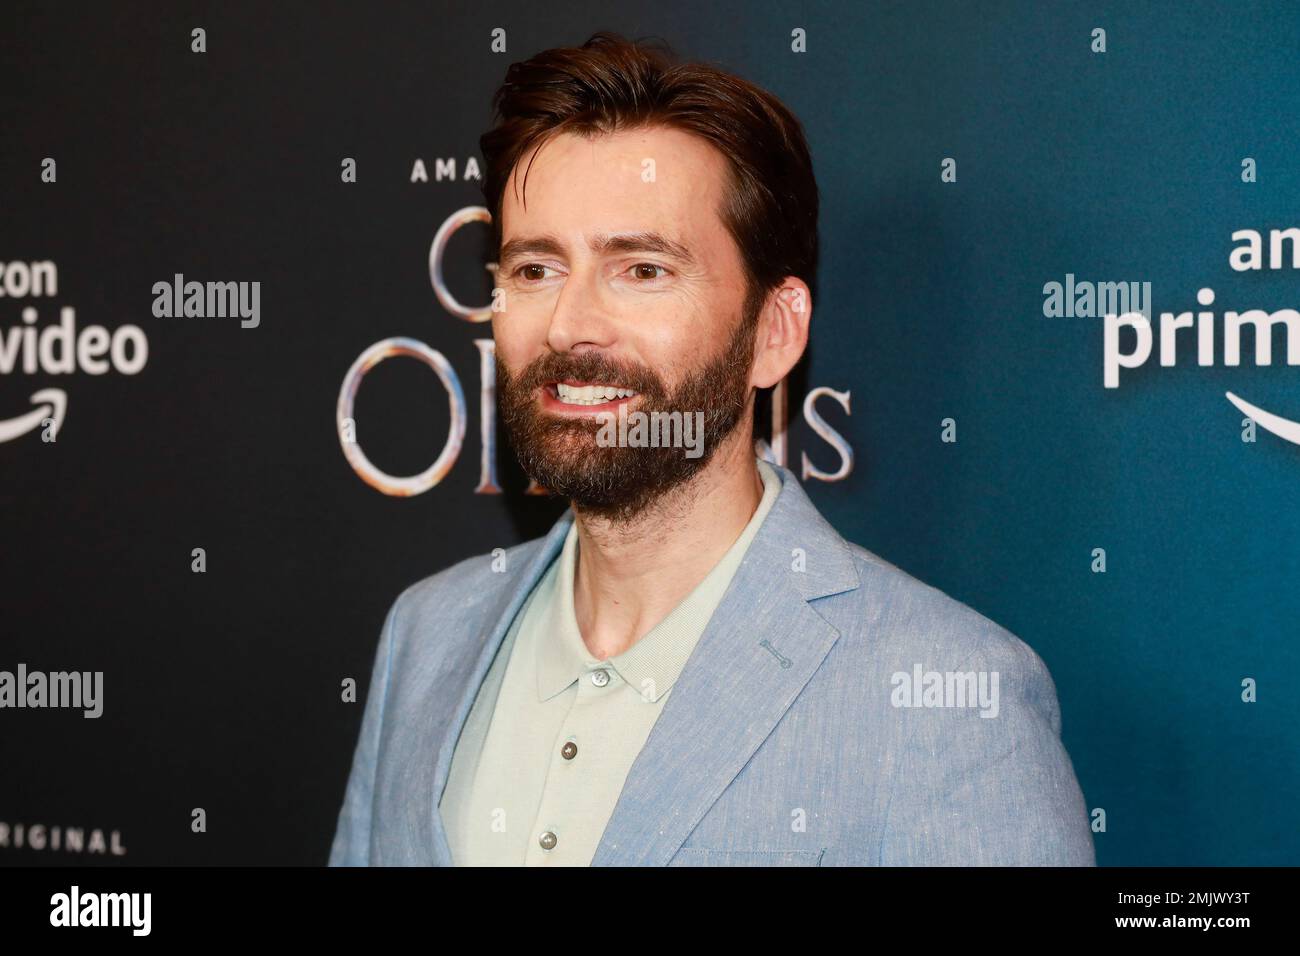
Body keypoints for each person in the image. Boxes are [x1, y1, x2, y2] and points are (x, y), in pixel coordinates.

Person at [328, 31, 1094, 866]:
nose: (570, 324)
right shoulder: (428, 633)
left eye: (644, 270)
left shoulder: (950, 700)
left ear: (774, 330)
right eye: (536, 269)